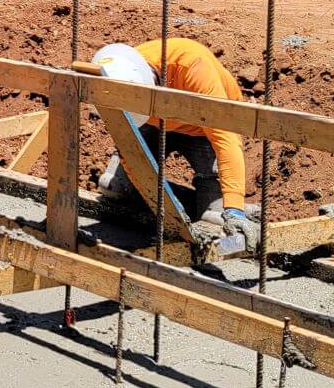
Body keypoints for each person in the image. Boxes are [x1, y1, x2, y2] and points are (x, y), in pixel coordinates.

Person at [90, 39, 260, 248]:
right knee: (114, 186)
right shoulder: (118, 71)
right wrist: (164, 203)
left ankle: (226, 204)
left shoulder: (193, 67)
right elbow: (126, 140)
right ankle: (194, 201)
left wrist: (233, 207)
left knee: (213, 219)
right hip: (151, 121)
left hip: (201, 129)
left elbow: (226, 140)